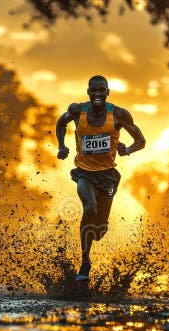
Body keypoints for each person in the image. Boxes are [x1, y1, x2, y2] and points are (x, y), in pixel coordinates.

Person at [55, 75, 146, 282]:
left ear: (107, 93)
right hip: (84, 173)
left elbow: (141, 140)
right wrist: (62, 145)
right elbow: (61, 122)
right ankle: (85, 261)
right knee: (90, 208)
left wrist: (128, 149)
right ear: (88, 92)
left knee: (99, 230)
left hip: (108, 177)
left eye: (101, 90)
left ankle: (96, 232)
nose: (97, 94)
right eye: (93, 90)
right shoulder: (78, 110)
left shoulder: (119, 114)